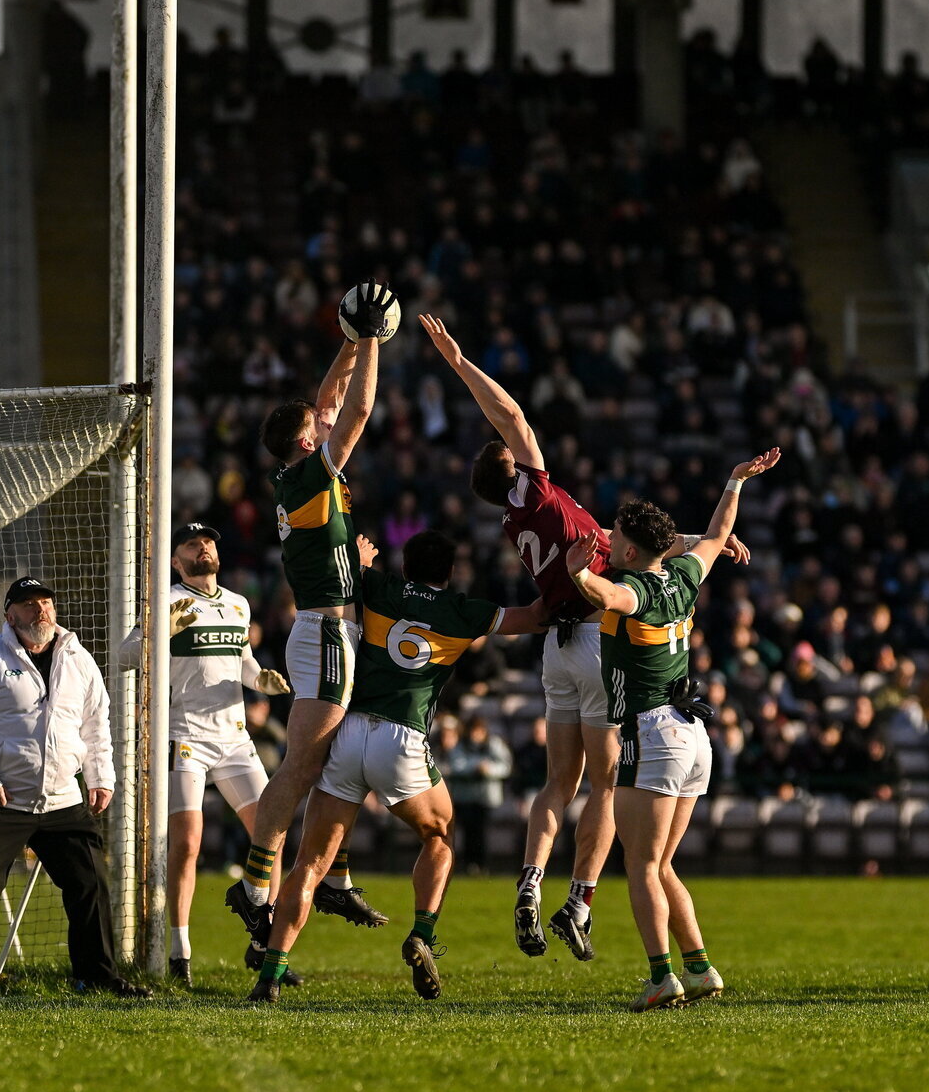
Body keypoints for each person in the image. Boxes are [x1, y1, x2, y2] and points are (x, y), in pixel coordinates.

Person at [424, 312, 744, 961]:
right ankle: (580, 898)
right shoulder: (537, 488)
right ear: (510, 464)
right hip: (597, 639)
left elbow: (612, 539)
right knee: (602, 785)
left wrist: (696, 540)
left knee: (555, 783)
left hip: (556, 648)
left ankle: (530, 881)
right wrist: (459, 362)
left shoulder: (520, 520)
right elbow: (509, 411)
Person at [249, 532, 545, 1002]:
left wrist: (362, 562)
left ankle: (269, 975)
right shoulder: (463, 609)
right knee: (440, 835)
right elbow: (537, 616)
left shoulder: (381, 587)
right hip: (402, 737)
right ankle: (422, 935)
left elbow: (346, 572)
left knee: (309, 862)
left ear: (406, 566)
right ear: (451, 572)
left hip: (347, 734)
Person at [566, 447, 780, 1013]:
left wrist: (577, 572)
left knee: (640, 864)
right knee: (661, 864)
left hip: (652, 731)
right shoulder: (685, 573)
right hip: (692, 735)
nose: (608, 540)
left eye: (613, 536)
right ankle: (700, 968)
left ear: (631, 550)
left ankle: (662, 977)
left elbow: (609, 595)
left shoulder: (634, 588)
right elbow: (715, 534)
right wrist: (734, 482)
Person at [227, 281, 397, 965]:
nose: (323, 424)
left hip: (327, 626)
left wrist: (349, 343)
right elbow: (354, 410)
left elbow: (328, 401)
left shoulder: (300, 476)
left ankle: (330, 876)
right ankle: (256, 883)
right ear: (304, 439)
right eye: (314, 426)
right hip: (328, 634)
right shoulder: (310, 474)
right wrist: (370, 342)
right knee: (301, 766)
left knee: (334, 756)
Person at [0, 577, 148, 1000]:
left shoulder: (79, 659)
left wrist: (100, 778)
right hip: (4, 799)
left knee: (90, 883)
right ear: (10, 615)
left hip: (63, 799)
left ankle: (97, 977)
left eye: (46, 602)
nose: (41, 610)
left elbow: (96, 727)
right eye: (29, 604)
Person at [119, 522, 292, 986]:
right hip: (185, 735)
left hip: (234, 737)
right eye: (193, 544)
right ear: (177, 560)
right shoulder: (166, 602)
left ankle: (265, 944)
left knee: (271, 835)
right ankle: (179, 951)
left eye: (209, 541)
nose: (204, 548)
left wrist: (261, 681)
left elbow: (245, 663)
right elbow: (123, 656)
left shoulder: (238, 604)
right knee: (188, 843)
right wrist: (160, 632)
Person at [446, 716, 511, 875]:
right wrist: (475, 767)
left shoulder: (494, 744)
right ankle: (469, 864)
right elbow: (456, 765)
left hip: (486, 798)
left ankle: (482, 864)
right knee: (468, 832)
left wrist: (489, 769)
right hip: (465, 798)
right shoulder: (461, 746)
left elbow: (505, 766)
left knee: (481, 832)